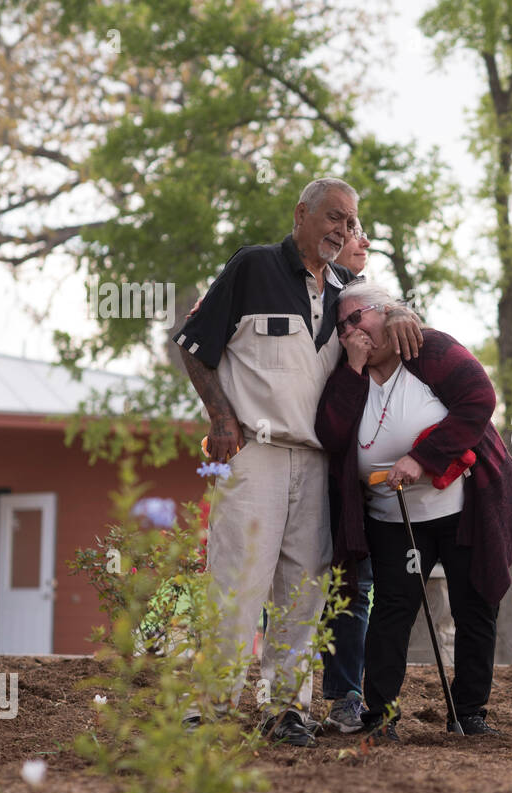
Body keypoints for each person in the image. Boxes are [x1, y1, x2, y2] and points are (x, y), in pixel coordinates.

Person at [173, 179, 420, 746]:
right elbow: (194, 343)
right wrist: (220, 418)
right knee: (237, 580)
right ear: (301, 214)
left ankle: (285, 710)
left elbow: (389, 309)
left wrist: (403, 308)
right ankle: (209, 706)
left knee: (303, 590)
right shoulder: (254, 266)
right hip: (255, 451)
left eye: (352, 222)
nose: (344, 230)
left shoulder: (346, 292)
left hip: (318, 462)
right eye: (334, 217)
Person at [315, 281, 512, 741]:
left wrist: (423, 458)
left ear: (388, 313)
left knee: (475, 606)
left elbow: (479, 400)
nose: (353, 331)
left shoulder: (427, 348)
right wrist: (352, 367)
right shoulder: (345, 369)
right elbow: (331, 435)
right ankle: (380, 713)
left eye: (359, 317)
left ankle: (468, 711)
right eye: (343, 326)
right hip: (391, 517)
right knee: (393, 609)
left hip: (460, 508)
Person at [319, 221, 378, 733]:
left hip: (348, 471)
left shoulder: (369, 304)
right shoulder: (306, 290)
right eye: (351, 229)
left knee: (351, 586)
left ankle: (345, 696)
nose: (361, 240)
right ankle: (278, 695)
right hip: (297, 453)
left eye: (363, 233)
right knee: (290, 582)